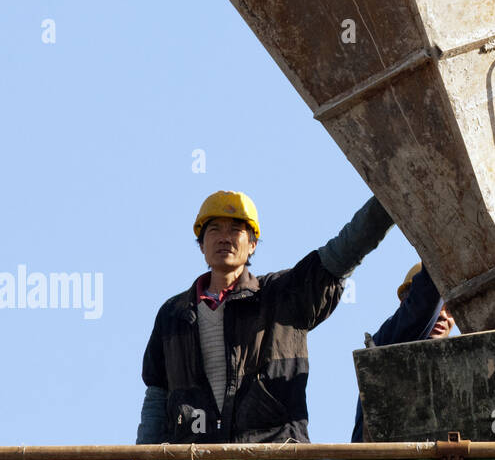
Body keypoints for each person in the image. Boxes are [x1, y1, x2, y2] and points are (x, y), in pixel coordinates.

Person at [136, 190, 394, 444]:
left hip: (274, 457)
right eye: (214, 229)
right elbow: (157, 396)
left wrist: (391, 194)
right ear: (201, 244)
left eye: (236, 230)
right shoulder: (174, 314)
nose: (224, 238)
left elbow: (345, 249)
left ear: (252, 245)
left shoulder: (282, 295)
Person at [351, 263, 455, 442]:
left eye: (450, 309)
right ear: (404, 303)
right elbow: (425, 300)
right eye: (439, 306)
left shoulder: (463, 365)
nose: (443, 315)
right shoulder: (390, 340)